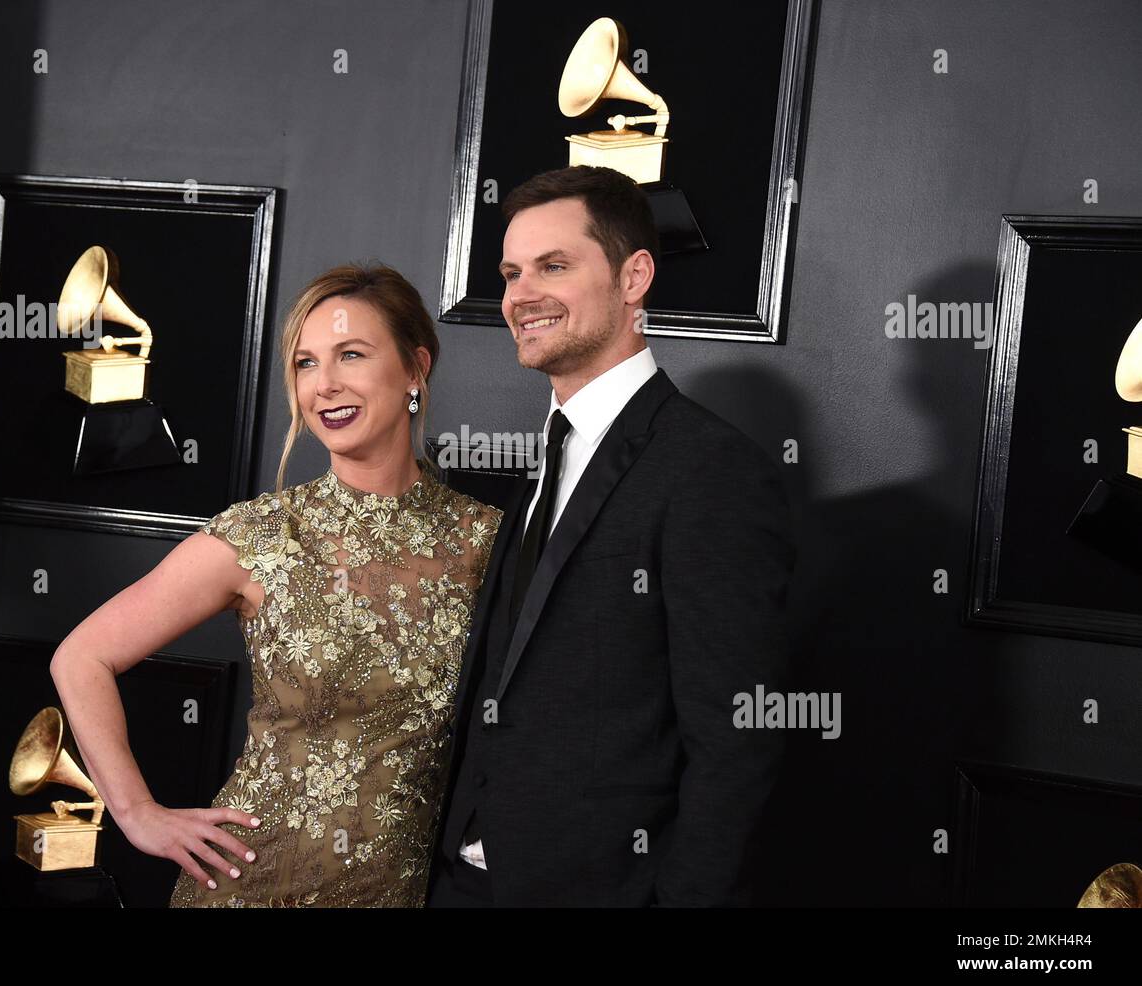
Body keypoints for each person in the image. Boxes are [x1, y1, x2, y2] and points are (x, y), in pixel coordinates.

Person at [50, 263, 503, 907]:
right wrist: (135, 811)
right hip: (251, 884)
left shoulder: (485, 540)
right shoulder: (262, 537)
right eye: (305, 364)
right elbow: (82, 656)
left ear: (415, 368)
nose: (326, 385)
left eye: (351, 355)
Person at [427, 166, 796, 907]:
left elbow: (737, 747)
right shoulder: (542, 458)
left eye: (554, 266)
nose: (520, 294)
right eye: (510, 273)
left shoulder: (711, 471)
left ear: (634, 278)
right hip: (462, 883)